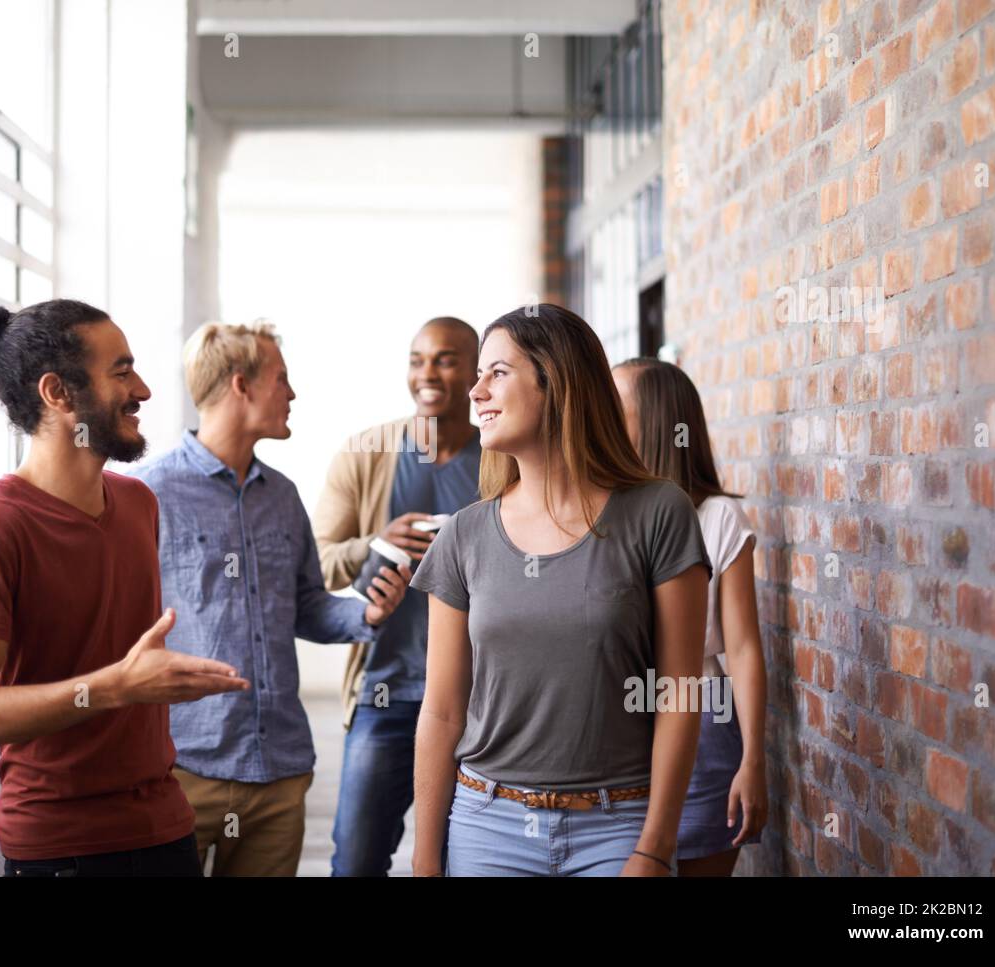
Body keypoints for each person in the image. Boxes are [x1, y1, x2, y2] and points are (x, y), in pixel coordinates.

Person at [0, 299, 249, 877]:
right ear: (58, 393)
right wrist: (115, 687)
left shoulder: (138, 504)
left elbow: (119, 662)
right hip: (62, 851)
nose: (145, 390)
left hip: (165, 829)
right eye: (122, 372)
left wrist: (154, 683)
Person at [410, 304, 712, 877]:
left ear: (559, 381)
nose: (475, 391)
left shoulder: (658, 513)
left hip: (619, 826)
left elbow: (678, 693)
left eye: (497, 372)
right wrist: (426, 861)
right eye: (478, 374)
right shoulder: (464, 535)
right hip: (487, 826)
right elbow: (443, 711)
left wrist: (654, 847)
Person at [130, 321, 409, 877]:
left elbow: (306, 604)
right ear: (242, 385)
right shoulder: (148, 494)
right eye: (281, 378)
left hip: (279, 774)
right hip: (180, 772)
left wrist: (366, 613)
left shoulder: (282, 497)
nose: (292, 393)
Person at [312, 316, 482, 876]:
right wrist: (374, 545)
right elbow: (318, 562)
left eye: (445, 359)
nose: (426, 373)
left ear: (476, 371)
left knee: (465, 861)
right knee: (356, 861)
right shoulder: (367, 453)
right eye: (417, 359)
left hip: (477, 701)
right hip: (385, 693)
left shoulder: (501, 462)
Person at [612, 357, 768, 875]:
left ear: (655, 422)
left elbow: (742, 648)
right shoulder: (601, 511)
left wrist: (753, 759)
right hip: (614, 726)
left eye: (615, 407)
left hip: (705, 728)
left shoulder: (718, 517)